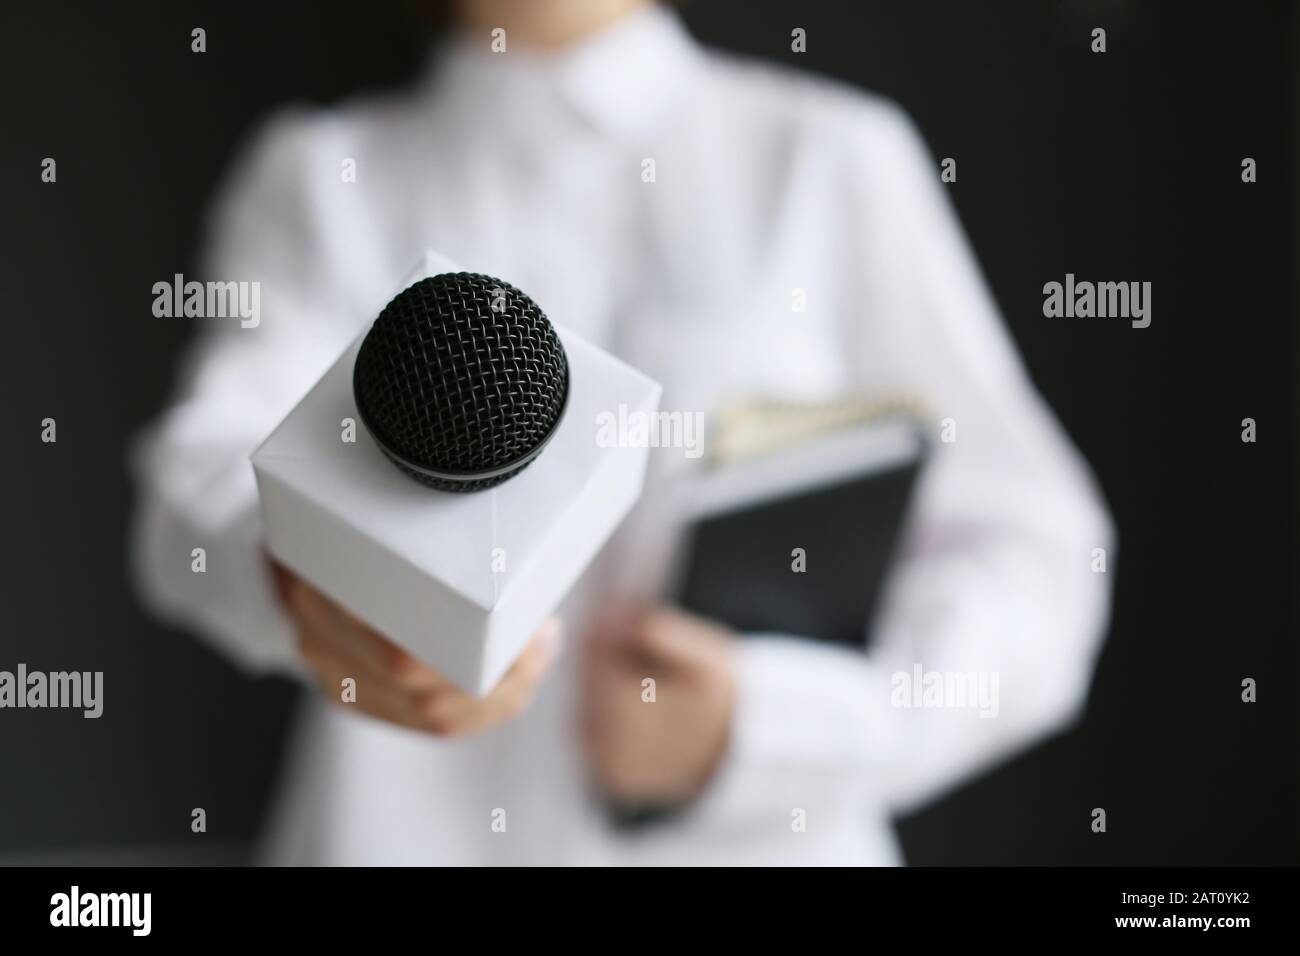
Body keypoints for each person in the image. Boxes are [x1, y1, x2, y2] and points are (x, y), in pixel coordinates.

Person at [130, 0, 1115, 865]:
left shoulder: (828, 155)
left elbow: (1040, 555)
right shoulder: (319, 178)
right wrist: (309, 587)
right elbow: (185, 511)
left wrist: (770, 725)